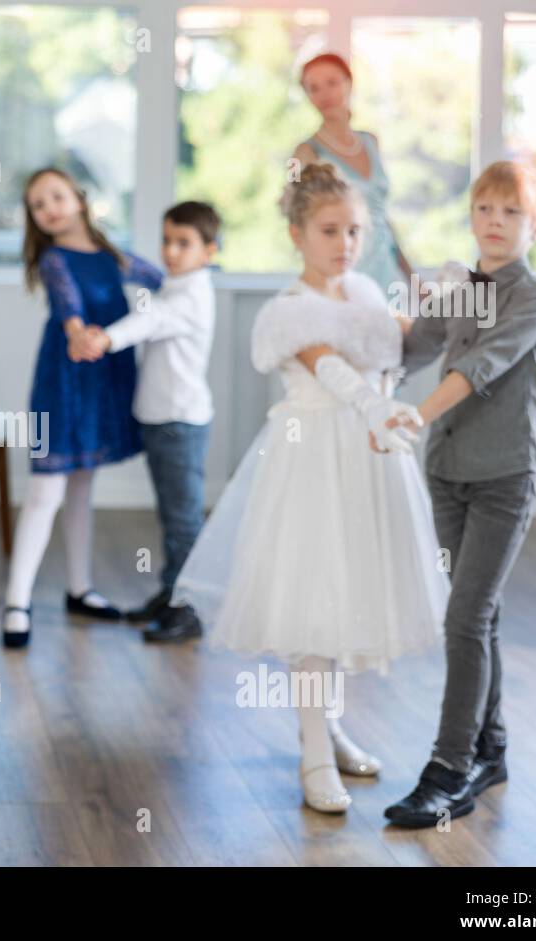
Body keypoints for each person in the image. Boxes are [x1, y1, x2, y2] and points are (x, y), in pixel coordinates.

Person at [174, 163, 448, 813]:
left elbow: (399, 355)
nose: (345, 243)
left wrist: (439, 311)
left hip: (374, 459)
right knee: (313, 596)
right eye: (330, 230)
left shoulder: (369, 296)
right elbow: (331, 370)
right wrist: (378, 411)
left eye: (355, 230)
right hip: (316, 456)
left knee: (349, 593)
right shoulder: (289, 311)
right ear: (298, 233)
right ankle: (312, 752)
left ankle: (331, 726)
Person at [384, 160, 536, 828]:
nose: (494, 222)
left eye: (511, 213)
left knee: (463, 619)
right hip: (448, 474)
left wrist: (415, 415)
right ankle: (493, 746)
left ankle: (449, 768)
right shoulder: (460, 285)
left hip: (504, 480)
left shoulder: (535, 296)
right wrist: (349, 324)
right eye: (484, 209)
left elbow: (476, 367)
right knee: (477, 616)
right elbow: (414, 346)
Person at [1, 167, 164, 648]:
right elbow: (68, 305)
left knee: (82, 485)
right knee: (46, 490)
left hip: (101, 379)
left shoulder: (113, 255)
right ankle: (16, 602)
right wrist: (78, 333)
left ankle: (79, 589)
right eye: (37, 204)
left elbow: (160, 279)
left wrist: (196, 276)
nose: (48, 208)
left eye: (56, 196)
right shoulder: (54, 259)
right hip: (65, 378)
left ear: (79, 197)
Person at [75, 200, 220, 642]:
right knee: (171, 515)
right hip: (162, 420)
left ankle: (187, 609)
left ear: (209, 252)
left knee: (182, 519)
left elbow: (149, 321)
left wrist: (106, 337)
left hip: (179, 422)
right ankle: (171, 592)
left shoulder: (191, 295)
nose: (172, 252)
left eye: (184, 243)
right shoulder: (176, 286)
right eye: (167, 241)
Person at [289, 52, 411, 297]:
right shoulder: (303, 153)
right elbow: (293, 214)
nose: (324, 94)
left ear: (349, 83)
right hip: (343, 274)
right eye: (313, 88)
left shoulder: (371, 141)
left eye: (332, 83)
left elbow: (383, 217)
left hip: (388, 274)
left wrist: (413, 278)